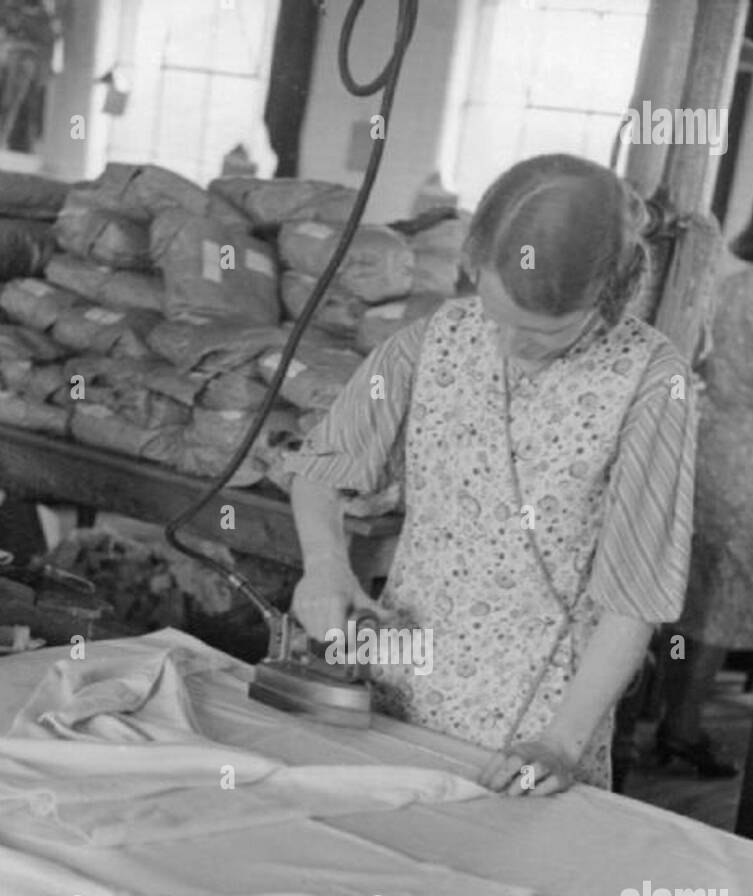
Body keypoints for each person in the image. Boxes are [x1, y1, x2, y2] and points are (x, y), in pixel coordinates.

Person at [285, 153, 696, 798]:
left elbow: (636, 594)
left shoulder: (650, 381)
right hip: (397, 681)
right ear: (477, 264)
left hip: (543, 716)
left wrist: (560, 744)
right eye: (499, 319)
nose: (508, 347)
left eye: (543, 335)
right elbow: (321, 469)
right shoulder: (437, 337)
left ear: (608, 296)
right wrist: (325, 563)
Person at [657, 181, 753, 775]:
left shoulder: (729, 284)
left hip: (710, 441)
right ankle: (683, 730)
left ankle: (669, 722)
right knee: (726, 599)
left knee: (694, 588)